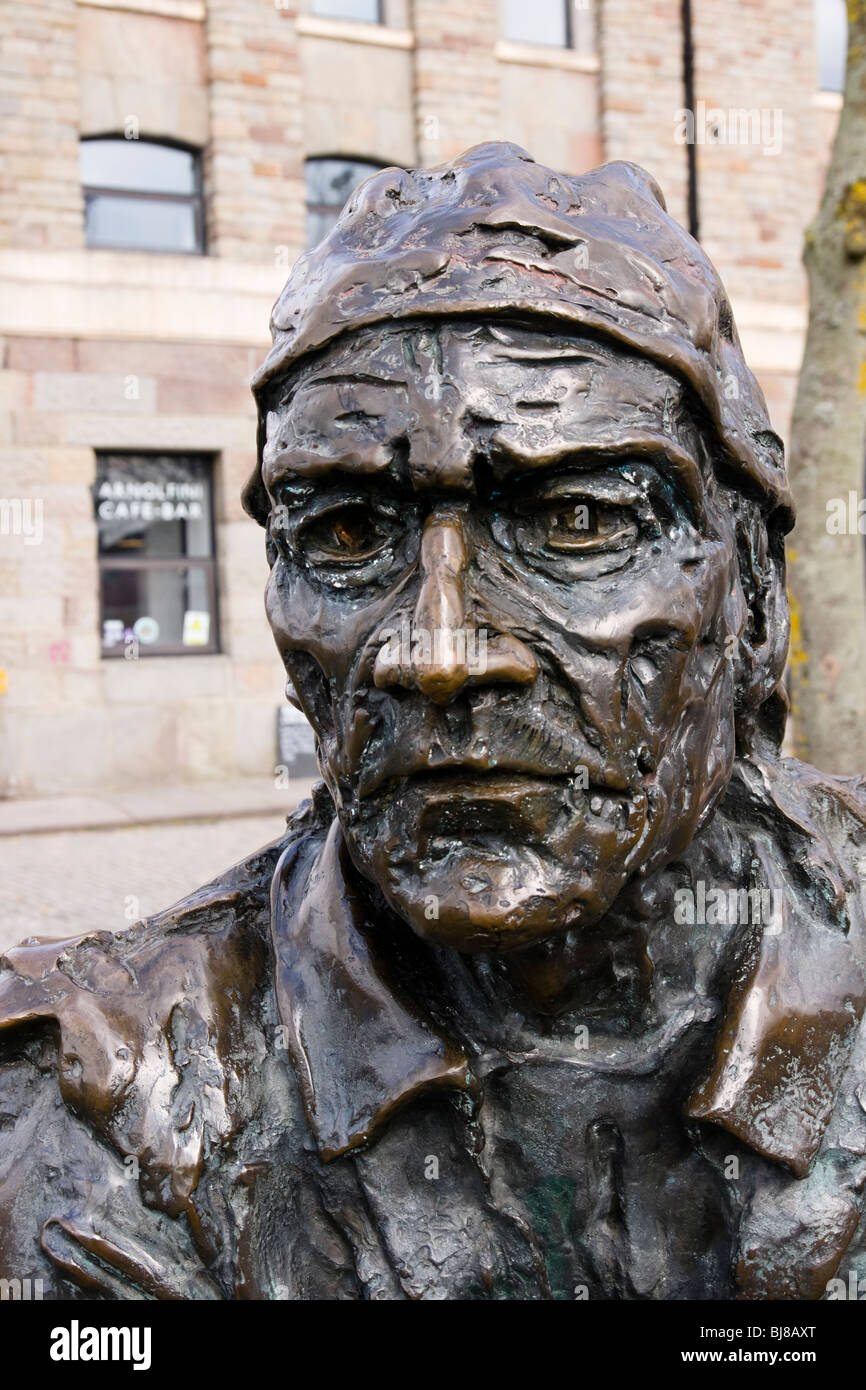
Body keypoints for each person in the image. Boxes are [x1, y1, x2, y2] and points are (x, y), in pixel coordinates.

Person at [2, 143, 865, 1301]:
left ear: (754, 595)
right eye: (348, 538)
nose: (439, 654)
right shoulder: (97, 1094)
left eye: (572, 520)